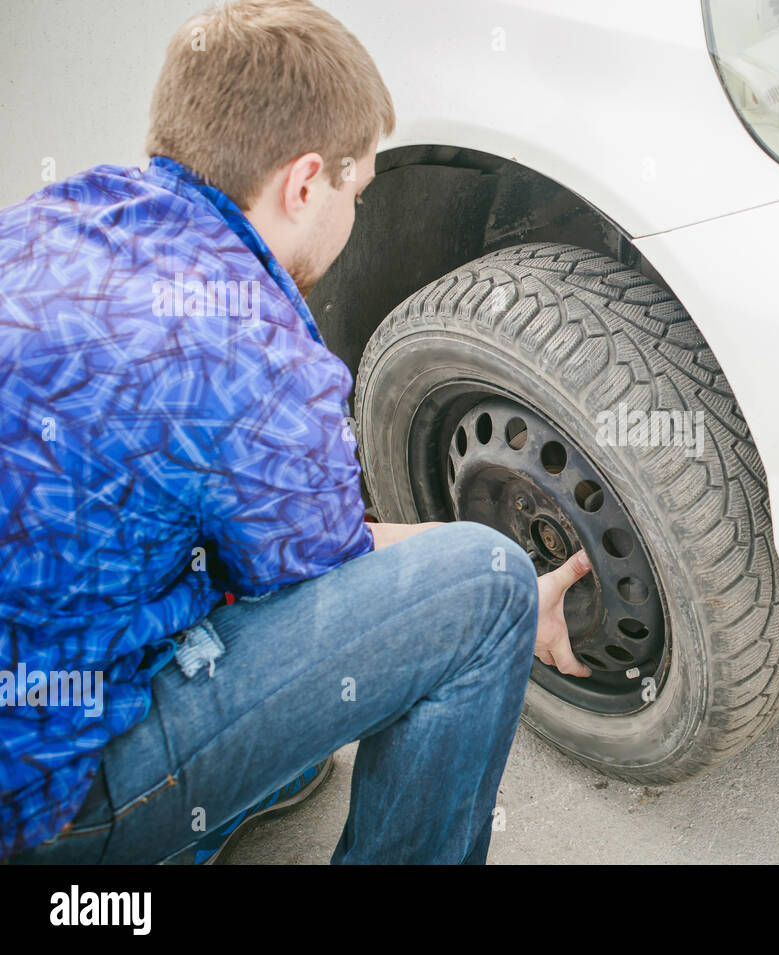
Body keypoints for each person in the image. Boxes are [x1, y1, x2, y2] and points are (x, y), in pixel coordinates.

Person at [0, 0, 590, 866]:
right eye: (359, 189)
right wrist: (484, 554)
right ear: (306, 181)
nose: (355, 212)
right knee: (485, 583)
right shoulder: (259, 353)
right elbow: (324, 577)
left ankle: (235, 785)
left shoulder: (50, 217)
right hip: (47, 808)